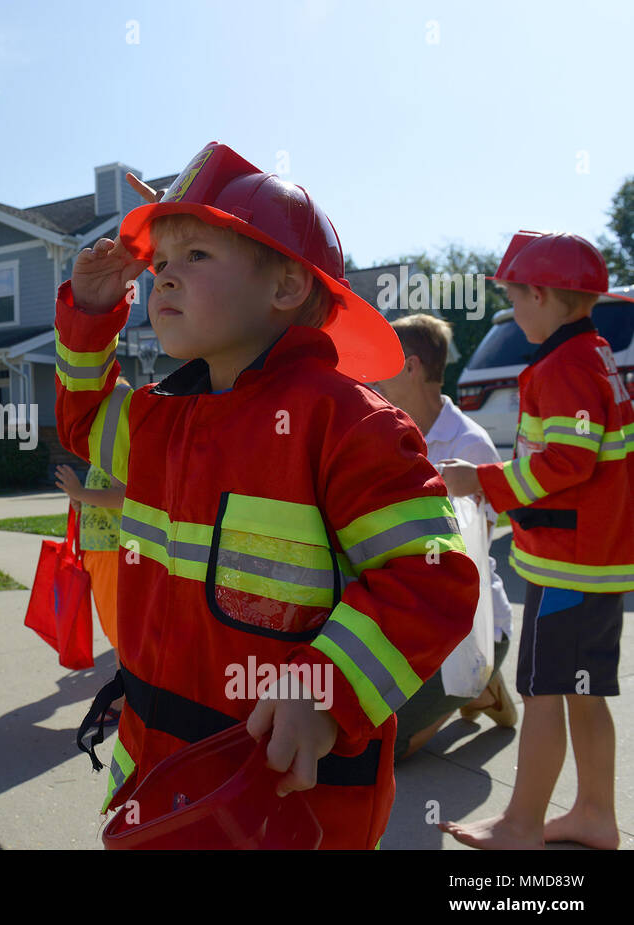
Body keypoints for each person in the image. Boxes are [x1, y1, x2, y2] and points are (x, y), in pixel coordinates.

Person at [56, 142, 478, 850]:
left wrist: (326, 687)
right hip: (159, 781)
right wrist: (93, 313)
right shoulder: (159, 417)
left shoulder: (346, 421)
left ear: (285, 287)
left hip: (283, 801)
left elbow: (430, 576)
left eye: (195, 257)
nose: (163, 278)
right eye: (159, 263)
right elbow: (82, 418)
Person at [435, 231, 634, 850]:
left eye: (516, 299)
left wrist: (483, 481)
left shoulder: (564, 368)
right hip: (595, 562)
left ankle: (521, 826)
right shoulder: (597, 354)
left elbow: (566, 464)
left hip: (568, 568)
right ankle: (595, 814)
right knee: (584, 691)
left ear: (542, 295)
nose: (515, 313)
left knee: (543, 692)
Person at [370, 314, 516, 761]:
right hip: (404, 615)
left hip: (465, 626)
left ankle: (483, 685)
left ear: (411, 367)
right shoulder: (385, 435)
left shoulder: (468, 446)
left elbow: (475, 549)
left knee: (389, 749)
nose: (373, 377)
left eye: (383, 364)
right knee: (356, 727)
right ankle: (474, 689)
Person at [55, 436, 129, 722]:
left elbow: (124, 496)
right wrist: (77, 499)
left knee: (119, 632)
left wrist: (81, 493)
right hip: (99, 551)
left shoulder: (117, 446)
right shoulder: (103, 450)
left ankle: (123, 701)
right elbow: (98, 503)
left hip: (112, 551)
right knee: (116, 630)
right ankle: (127, 696)